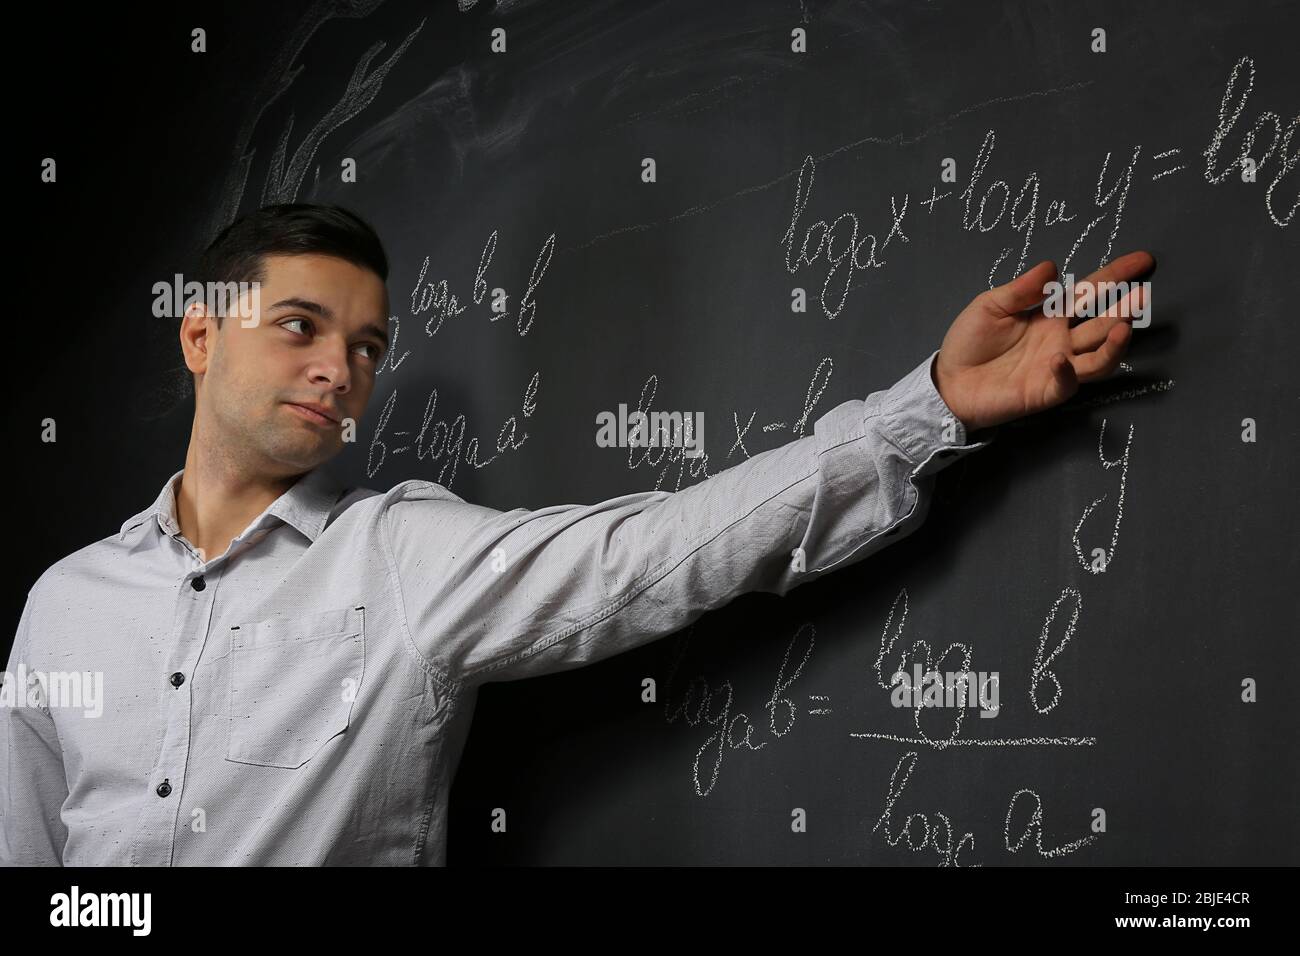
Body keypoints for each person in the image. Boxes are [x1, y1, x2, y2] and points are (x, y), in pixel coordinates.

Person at [0, 203, 1152, 865]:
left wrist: (930, 409)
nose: (337, 369)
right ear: (199, 337)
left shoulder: (399, 555)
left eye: (364, 346)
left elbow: (655, 551)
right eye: (300, 325)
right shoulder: (64, 602)